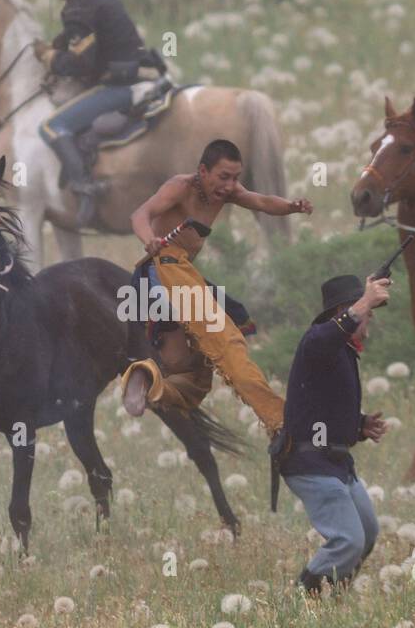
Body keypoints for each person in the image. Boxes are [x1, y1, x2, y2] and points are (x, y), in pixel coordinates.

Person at [120, 139, 312, 438]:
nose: (229, 185)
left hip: (183, 273)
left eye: (235, 177)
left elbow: (261, 202)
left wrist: (290, 207)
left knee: (196, 376)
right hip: (160, 270)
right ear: (202, 171)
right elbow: (139, 215)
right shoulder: (179, 187)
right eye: (223, 176)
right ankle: (280, 419)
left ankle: (146, 376)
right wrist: (149, 239)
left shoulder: (228, 192)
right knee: (227, 346)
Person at [277, 274, 393, 595]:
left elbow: (319, 407)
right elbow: (321, 340)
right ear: (346, 311)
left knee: (367, 533)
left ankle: (330, 599)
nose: (368, 327)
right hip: (310, 463)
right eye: (366, 316)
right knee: (348, 540)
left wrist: (358, 425)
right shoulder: (318, 342)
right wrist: (364, 302)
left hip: (337, 463)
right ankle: (302, 601)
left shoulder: (340, 350)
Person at [34, 0, 148, 227]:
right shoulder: (100, 0)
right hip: (136, 75)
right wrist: (57, 45)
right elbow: (78, 39)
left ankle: (83, 187)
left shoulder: (78, 10)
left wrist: (49, 58)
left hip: (116, 86)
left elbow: (80, 63)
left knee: (50, 127)